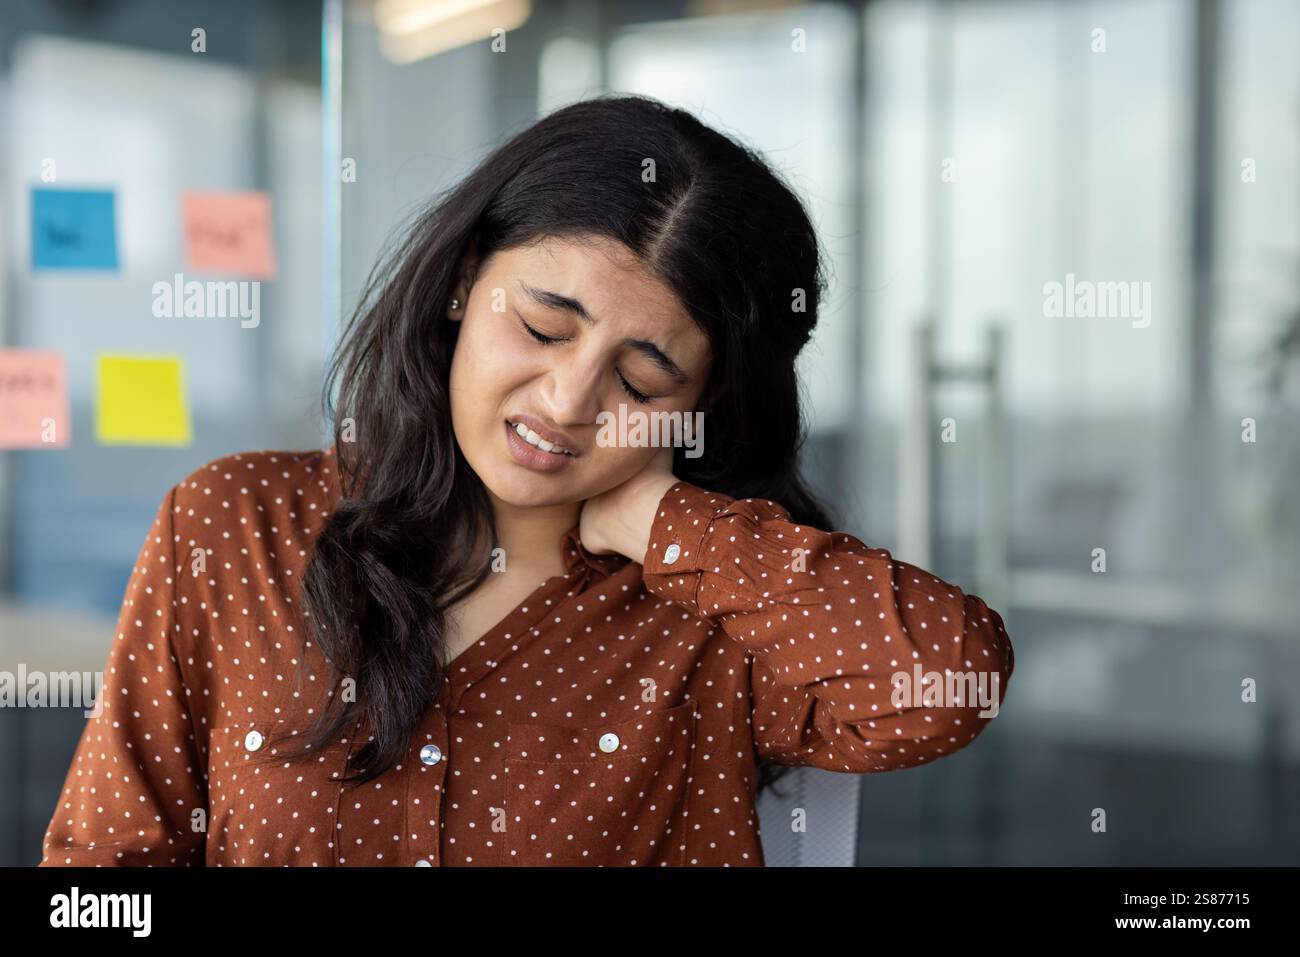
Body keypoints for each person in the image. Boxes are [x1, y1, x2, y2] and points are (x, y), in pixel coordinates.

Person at [40, 94, 1014, 867]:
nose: (566, 400)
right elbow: (102, 866)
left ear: (705, 401)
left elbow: (944, 683)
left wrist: (666, 523)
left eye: (642, 380)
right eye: (543, 328)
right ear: (465, 279)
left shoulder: (718, 619)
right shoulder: (236, 525)